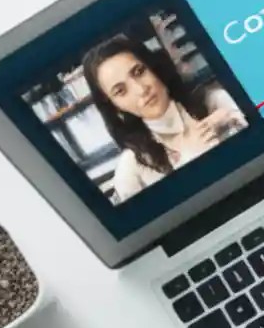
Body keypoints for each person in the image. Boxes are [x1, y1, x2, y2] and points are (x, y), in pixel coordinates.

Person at [83, 34, 248, 202]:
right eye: (120, 91)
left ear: (153, 68)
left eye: (139, 72)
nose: (141, 90)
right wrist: (189, 162)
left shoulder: (217, 103)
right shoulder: (131, 169)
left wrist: (235, 120)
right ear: (115, 107)